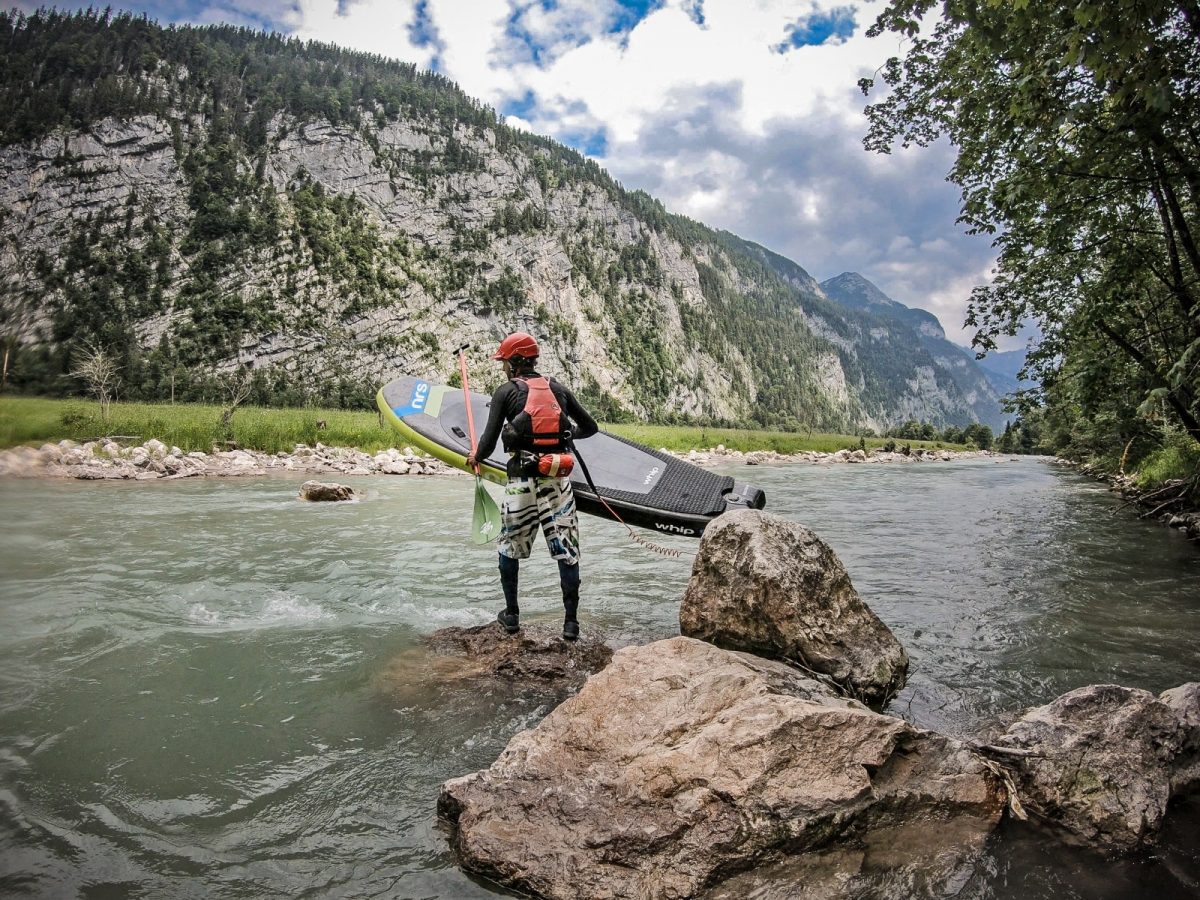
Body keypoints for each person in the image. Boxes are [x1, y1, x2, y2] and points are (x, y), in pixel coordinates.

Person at [466, 331, 598, 642]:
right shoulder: (558, 388)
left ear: (514, 362)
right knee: (567, 550)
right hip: (557, 483)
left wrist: (475, 457)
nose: (502, 367)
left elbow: (487, 442)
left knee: (509, 547)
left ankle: (511, 616)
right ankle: (570, 624)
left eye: (503, 362)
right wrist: (566, 436)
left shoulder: (505, 392)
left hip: (521, 483)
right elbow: (590, 428)